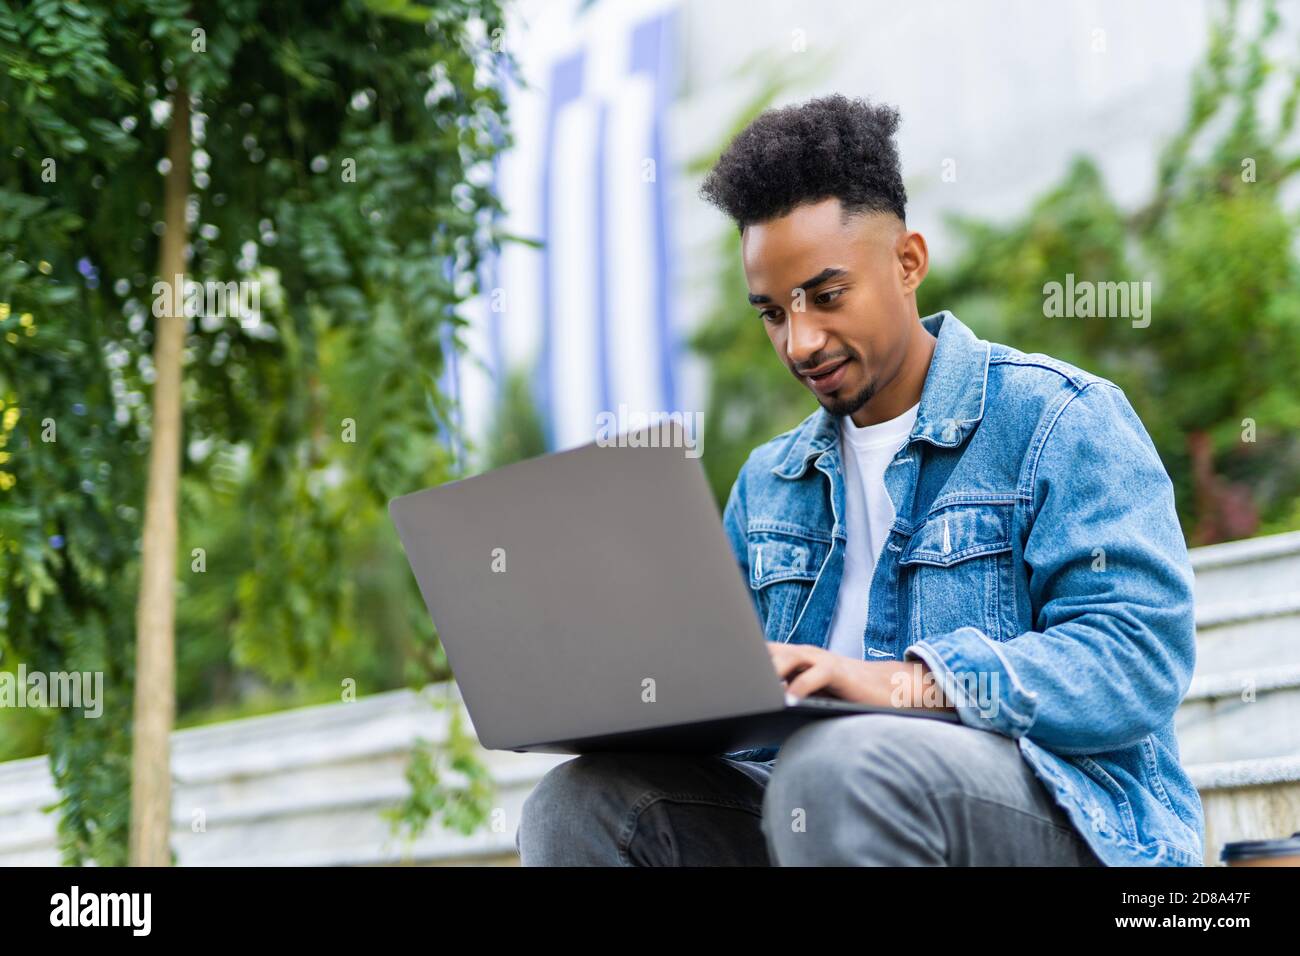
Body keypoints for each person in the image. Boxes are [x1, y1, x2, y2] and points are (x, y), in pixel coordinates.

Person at [518, 94, 1204, 866]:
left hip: (1060, 823)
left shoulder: (1056, 421)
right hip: (816, 816)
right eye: (772, 313)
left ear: (908, 262)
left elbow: (1136, 659)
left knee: (839, 762)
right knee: (582, 805)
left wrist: (899, 685)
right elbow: (741, 717)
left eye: (827, 296)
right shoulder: (769, 483)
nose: (801, 341)